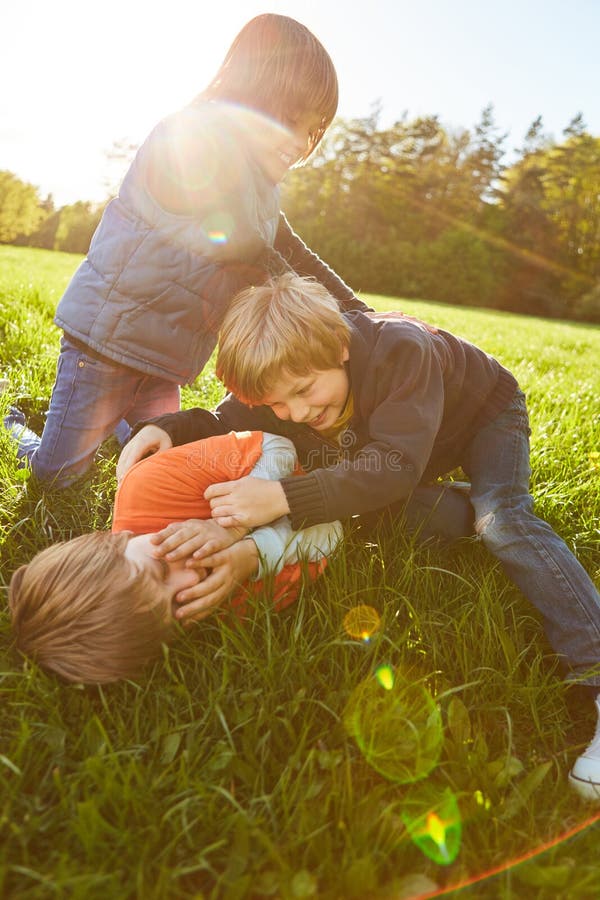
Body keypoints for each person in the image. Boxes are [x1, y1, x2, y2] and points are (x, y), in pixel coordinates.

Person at [120, 273, 600, 800]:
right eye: (278, 405)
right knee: (383, 514)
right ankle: (465, 502)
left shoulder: (402, 352)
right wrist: (170, 428)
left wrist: (284, 498)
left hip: (482, 418)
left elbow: (393, 465)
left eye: (304, 392)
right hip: (404, 448)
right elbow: (226, 417)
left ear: (341, 348)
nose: (296, 413)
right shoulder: (292, 384)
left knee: (502, 522)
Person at [2, 13, 373, 487]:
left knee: (155, 461)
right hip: (106, 345)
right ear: (250, 97)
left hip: (164, 359)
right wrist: (315, 315)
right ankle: (19, 431)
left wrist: (360, 313)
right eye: (291, 121)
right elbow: (243, 245)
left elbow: (294, 253)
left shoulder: (262, 189)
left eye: (311, 130)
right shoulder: (193, 139)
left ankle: (110, 425)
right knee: (57, 478)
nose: (300, 144)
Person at [9, 429, 342, 683]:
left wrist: (232, 526)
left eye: (160, 568)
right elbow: (334, 530)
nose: (191, 579)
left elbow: (276, 445)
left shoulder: (148, 487)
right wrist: (253, 556)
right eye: (176, 610)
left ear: (115, 539)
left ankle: (14, 425)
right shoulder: (228, 610)